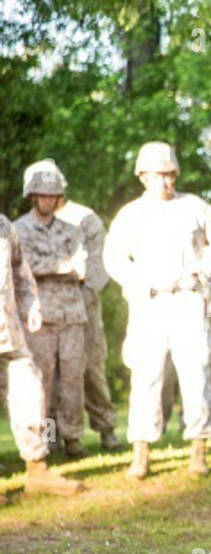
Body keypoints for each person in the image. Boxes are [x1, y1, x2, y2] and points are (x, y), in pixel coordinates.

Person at [104, 141, 211, 479]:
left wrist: (202, 269)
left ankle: (199, 448)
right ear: (143, 176)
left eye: (170, 174)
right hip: (149, 303)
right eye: (158, 175)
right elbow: (113, 257)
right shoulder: (131, 215)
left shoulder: (195, 207)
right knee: (145, 376)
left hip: (188, 300)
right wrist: (134, 281)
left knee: (195, 372)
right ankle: (141, 451)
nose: (166, 181)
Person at [0, 213, 84, 494]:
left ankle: (37, 469)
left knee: (31, 391)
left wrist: (31, 305)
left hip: (8, 331)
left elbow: (20, 273)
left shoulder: (4, 226)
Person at [43, 160, 122, 452]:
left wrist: (84, 293)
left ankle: (105, 429)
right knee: (47, 375)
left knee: (90, 368)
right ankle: (51, 438)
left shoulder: (84, 218)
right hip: (46, 308)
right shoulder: (33, 221)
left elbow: (101, 262)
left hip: (82, 303)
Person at [15, 161, 89, 459]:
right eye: (42, 195)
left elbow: (81, 267)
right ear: (33, 196)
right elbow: (25, 268)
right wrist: (60, 266)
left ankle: (73, 438)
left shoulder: (73, 230)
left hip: (72, 315)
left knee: (72, 379)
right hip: (39, 316)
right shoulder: (18, 230)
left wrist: (52, 268)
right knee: (42, 382)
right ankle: (49, 439)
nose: (47, 200)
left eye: (52, 195)